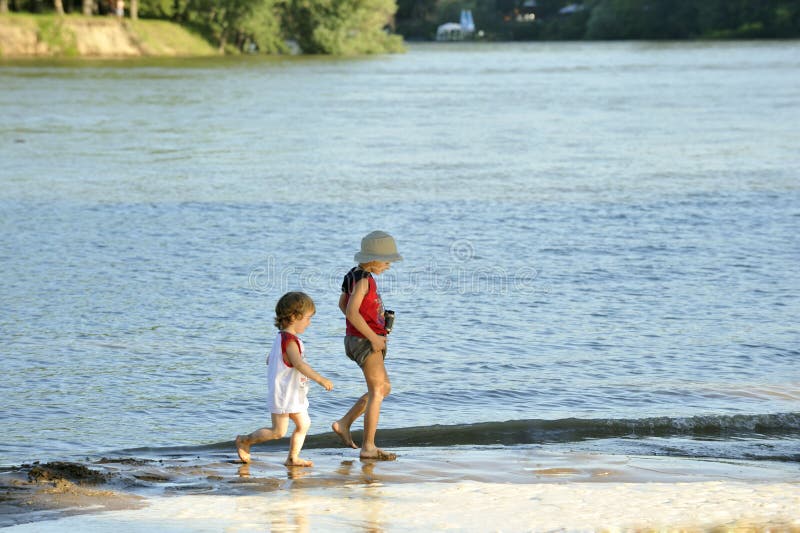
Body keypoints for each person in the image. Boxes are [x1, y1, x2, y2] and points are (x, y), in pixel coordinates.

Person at [235, 292, 333, 467]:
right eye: (308, 318)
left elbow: (270, 358)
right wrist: (321, 379)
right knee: (278, 431)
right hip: (283, 394)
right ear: (294, 317)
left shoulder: (282, 338)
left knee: (304, 423)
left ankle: (292, 457)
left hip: (294, 393)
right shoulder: (289, 341)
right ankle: (245, 441)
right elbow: (299, 364)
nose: (309, 323)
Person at [332, 231, 402, 460]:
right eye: (386, 261)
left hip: (356, 339)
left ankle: (344, 423)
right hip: (365, 341)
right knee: (377, 391)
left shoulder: (352, 275)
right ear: (372, 258)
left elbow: (343, 304)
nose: (388, 266)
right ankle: (368, 447)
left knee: (384, 388)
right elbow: (351, 311)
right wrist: (371, 336)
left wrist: (359, 327)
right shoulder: (364, 280)